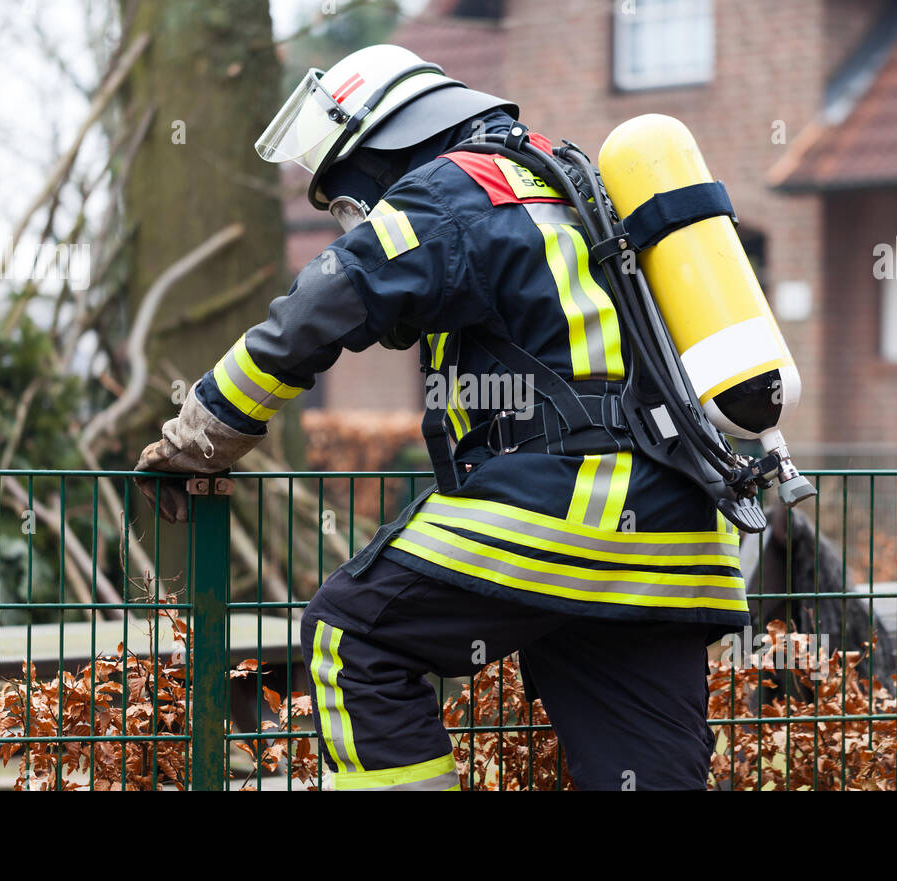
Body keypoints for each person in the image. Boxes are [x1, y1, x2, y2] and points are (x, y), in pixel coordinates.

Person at [135, 44, 751, 791]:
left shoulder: (450, 187)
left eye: (347, 197)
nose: (351, 217)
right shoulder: (568, 176)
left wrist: (200, 432)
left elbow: (323, 306)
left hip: (572, 504)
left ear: (385, 141)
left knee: (350, 631)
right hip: (682, 536)